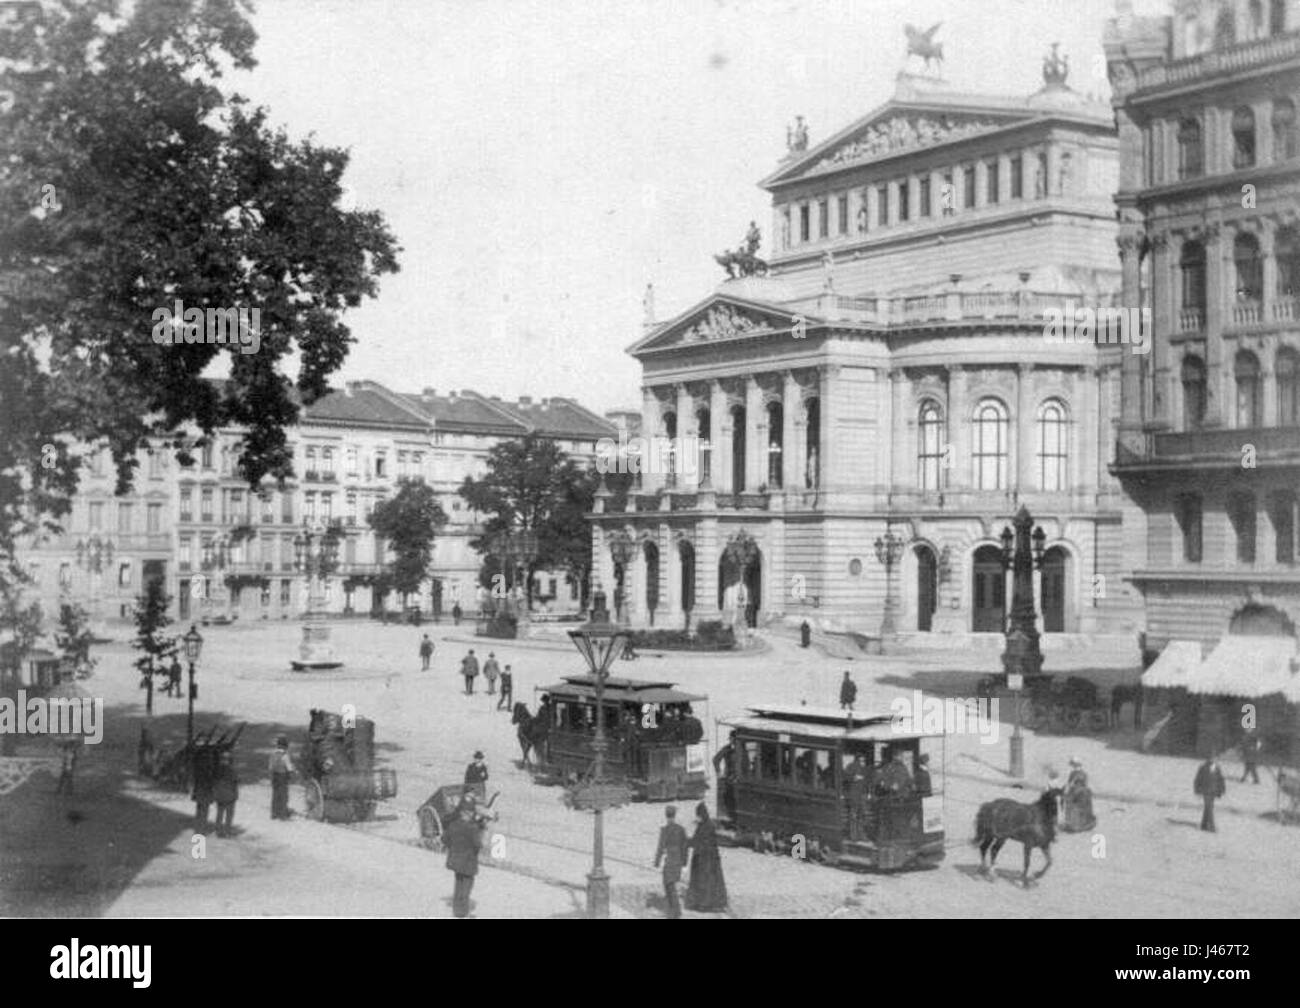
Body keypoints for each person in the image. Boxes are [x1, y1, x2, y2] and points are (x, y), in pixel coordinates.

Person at [685, 802, 728, 912]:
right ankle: (713, 903)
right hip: (710, 860)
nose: (697, 818)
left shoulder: (704, 827)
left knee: (704, 882)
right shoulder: (707, 825)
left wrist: (685, 841)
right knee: (711, 882)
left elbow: (697, 841)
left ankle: (704, 904)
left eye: (698, 815)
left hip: (704, 861)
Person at [444, 799, 484, 918]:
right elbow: (478, 845)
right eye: (471, 812)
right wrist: (481, 828)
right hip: (468, 863)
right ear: (469, 813)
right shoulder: (472, 828)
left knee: (458, 886)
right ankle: (462, 914)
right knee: (466, 889)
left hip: (455, 861)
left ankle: (457, 912)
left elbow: (445, 840)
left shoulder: (453, 824)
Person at [654, 805, 689, 919]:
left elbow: (660, 847)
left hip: (669, 861)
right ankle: (673, 911)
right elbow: (685, 846)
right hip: (678, 860)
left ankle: (675, 912)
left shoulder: (665, 830)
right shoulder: (681, 829)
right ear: (674, 815)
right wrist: (684, 863)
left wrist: (657, 862)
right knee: (671, 885)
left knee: (669, 886)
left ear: (666, 816)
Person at [1061, 757, 1096, 832]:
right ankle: (1083, 824)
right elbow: (1086, 784)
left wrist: (1066, 791)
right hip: (1083, 792)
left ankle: (1073, 824)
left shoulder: (1073, 773)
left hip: (1075, 792)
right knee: (1084, 808)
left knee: (1072, 807)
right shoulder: (1084, 773)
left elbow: (1070, 783)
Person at [1194, 754, 1226, 832]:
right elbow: (1197, 779)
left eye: (1214, 759)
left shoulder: (1217, 768)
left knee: (1208, 808)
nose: (1213, 760)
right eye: (1211, 759)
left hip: (1214, 791)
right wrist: (1197, 790)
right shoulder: (1203, 767)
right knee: (1209, 808)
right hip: (1205, 791)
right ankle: (1212, 826)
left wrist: (1222, 789)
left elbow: (1220, 779)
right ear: (1207, 759)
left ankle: (1203, 824)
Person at [213, 750, 239, 838]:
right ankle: (228, 831)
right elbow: (235, 783)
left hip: (219, 795)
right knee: (229, 815)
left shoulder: (217, 770)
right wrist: (236, 795)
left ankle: (218, 830)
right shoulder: (232, 771)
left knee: (219, 813)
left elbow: (214, 782)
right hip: (230, 795)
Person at [269, 735, 295, 820]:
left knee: (275, 794)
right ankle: (283, 814)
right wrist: (292, 772)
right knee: (283, 795)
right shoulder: (285, 755)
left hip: (274, 775)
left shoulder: (273, 754)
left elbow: (270, 766)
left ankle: (274, 813)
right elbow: (289, 766)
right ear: (285, 746)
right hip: (283, 776)